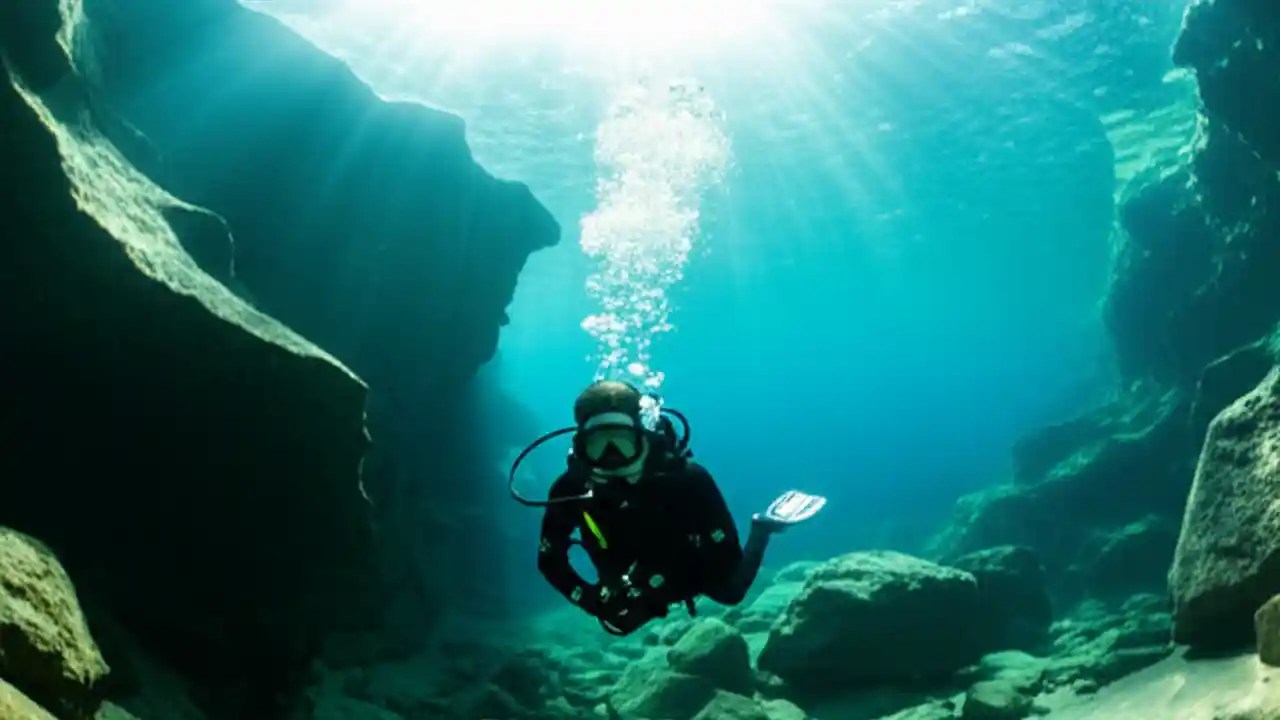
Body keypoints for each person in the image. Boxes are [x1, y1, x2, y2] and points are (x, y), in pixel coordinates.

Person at [518, 380, 824, 636]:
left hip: (685, 565)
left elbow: (726, 558)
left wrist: (671, 582)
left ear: (643, 435)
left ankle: (763, 527)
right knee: (618, 623)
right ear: (581, 445)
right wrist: (590, 599)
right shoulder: (569, 490)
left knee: (731, 592)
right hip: (624, 575)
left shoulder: (686, 478)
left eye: (622, 442)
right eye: (599, 444)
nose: (612, 456)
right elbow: (550, 560)